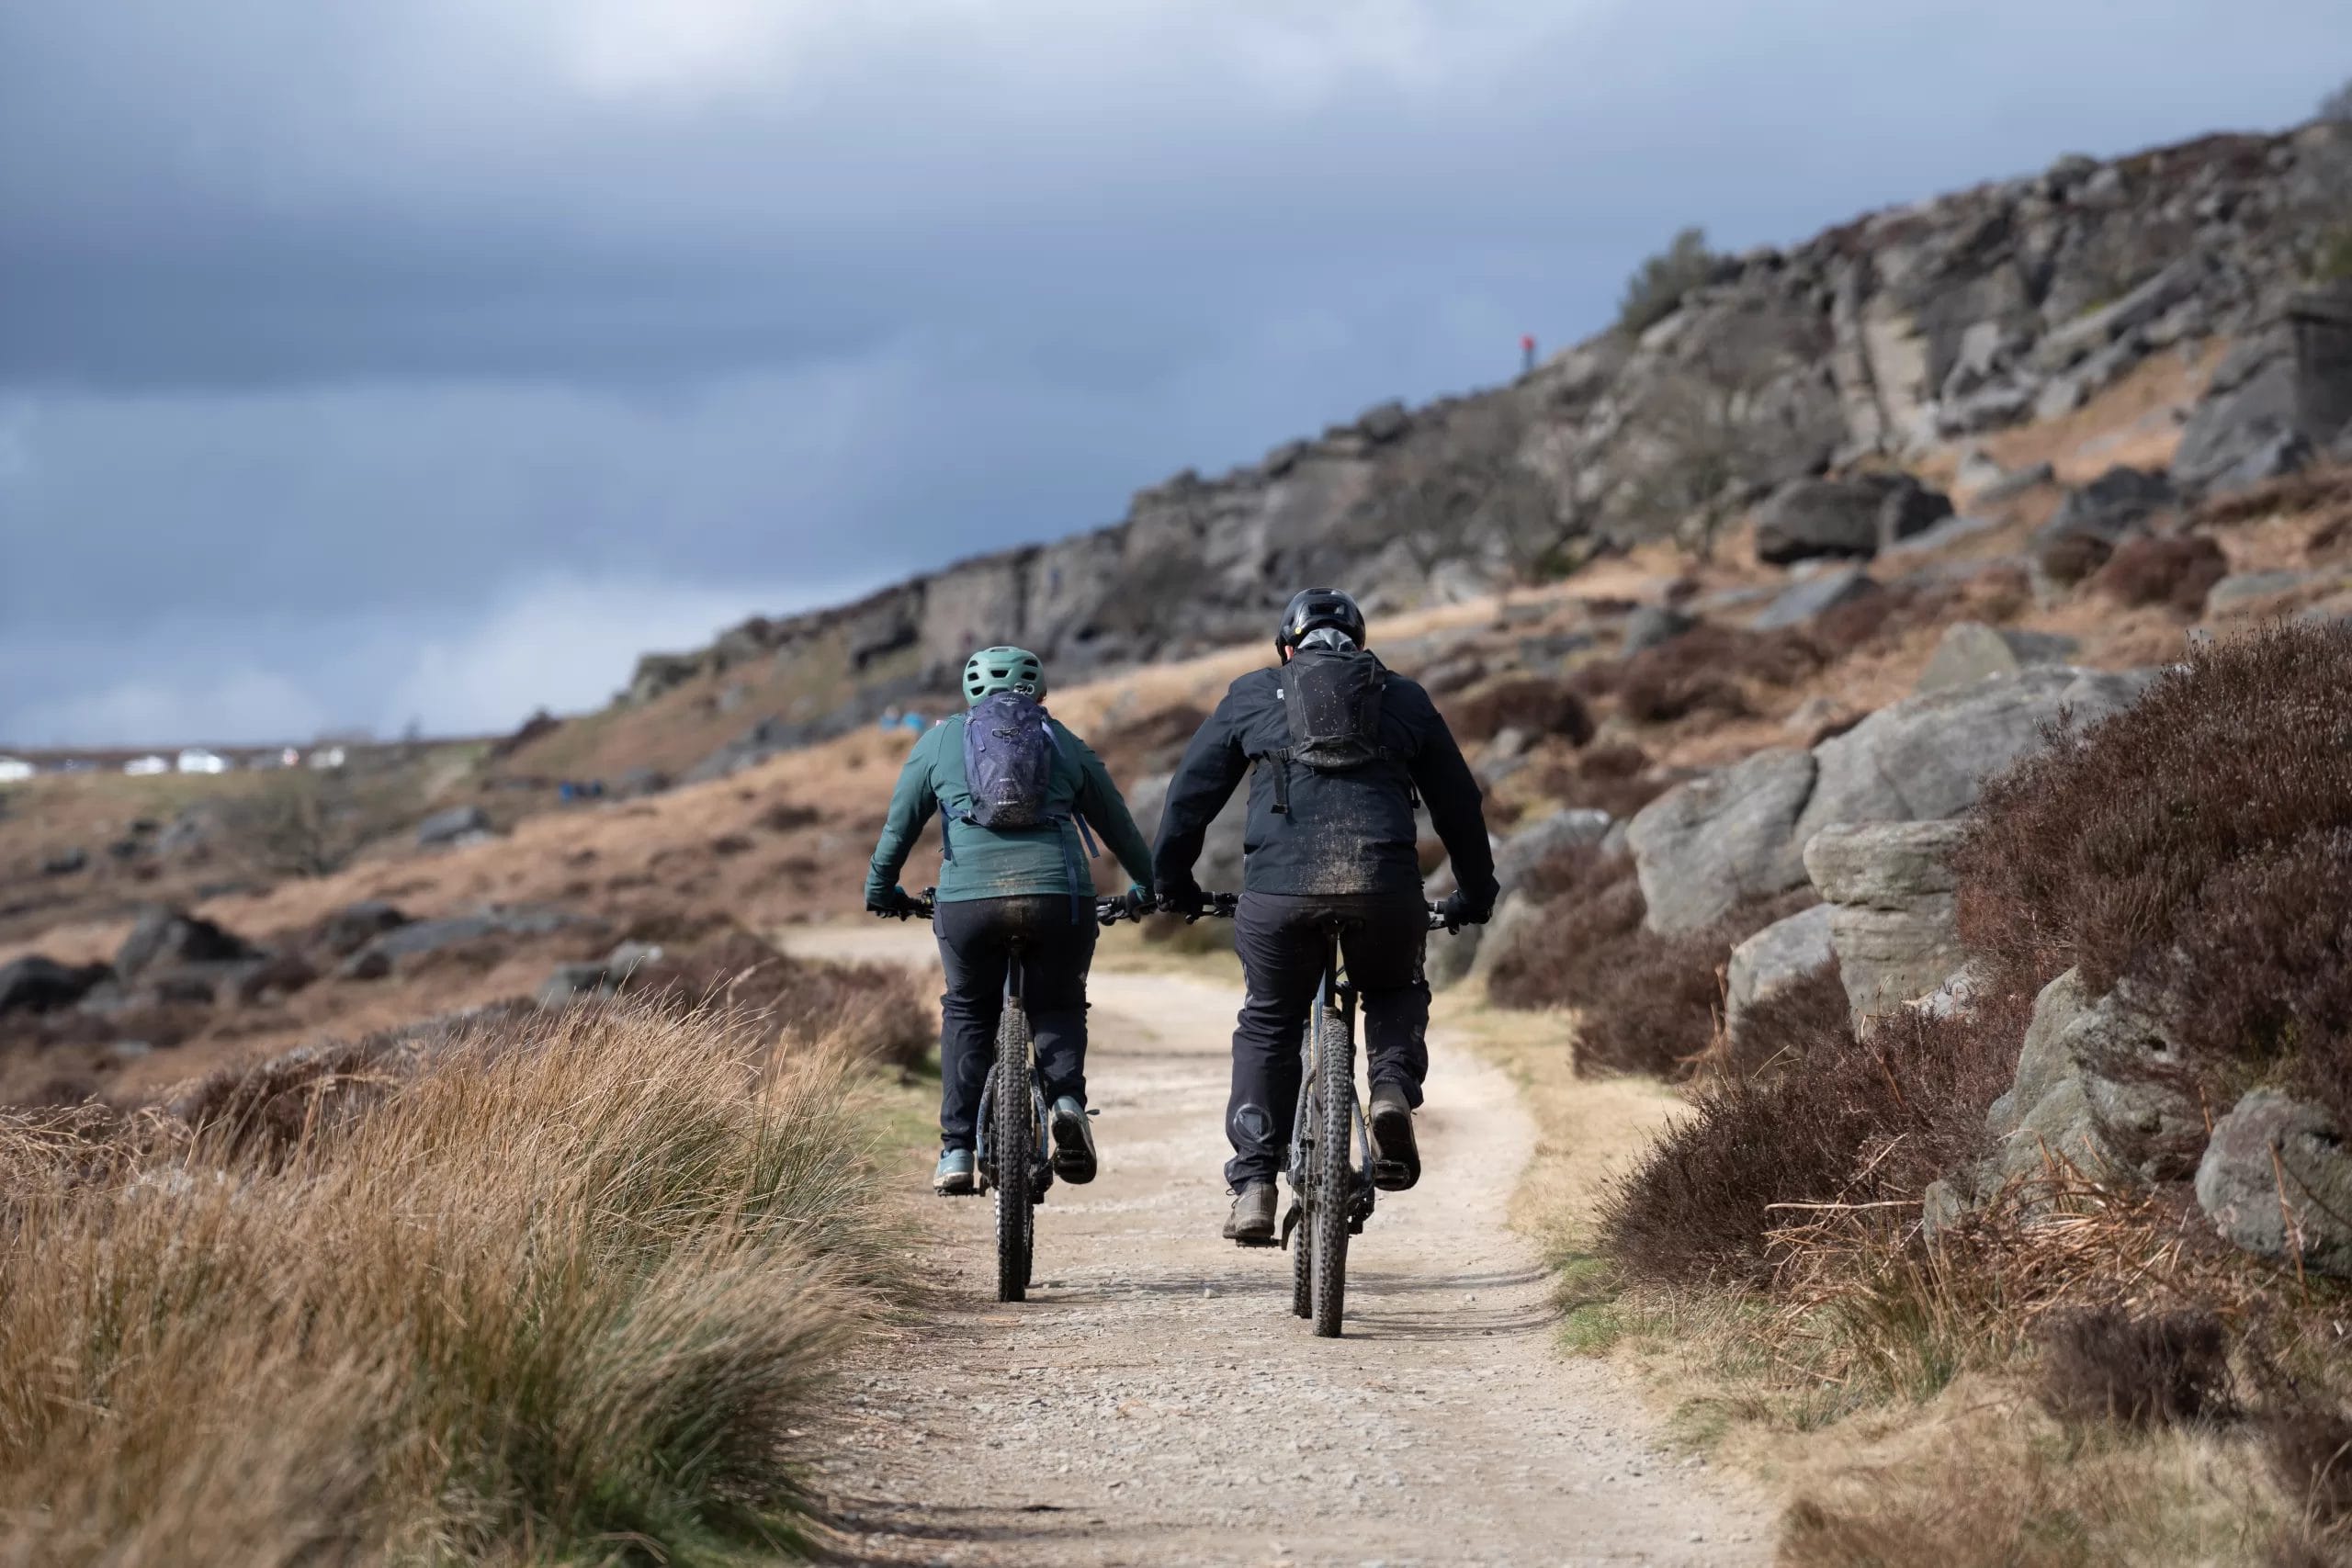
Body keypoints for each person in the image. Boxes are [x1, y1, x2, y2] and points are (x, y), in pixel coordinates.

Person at [1151, 588, 1498, 1242]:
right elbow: (1459, 805)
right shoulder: (1404, 697)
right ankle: (1389, 1090)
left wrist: (1172, 884)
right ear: (1361, 649)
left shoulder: (1253, 693)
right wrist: (1476, 894)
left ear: (1287, 650)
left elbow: (1189, 797)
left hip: (1279, 896)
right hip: (1384, 890)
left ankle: (1255, 1183)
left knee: (1269, 1020)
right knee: (1393, 987)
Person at [866, 646, 1155, 1196]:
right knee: (1059, 1002)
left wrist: (881, 890)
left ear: (969, 692)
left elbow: (898, 828)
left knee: (968, 1009)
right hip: (1058, 900)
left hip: (969, 905)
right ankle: (1066, 1101)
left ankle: (956, 1150)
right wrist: (1148, 887)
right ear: (1039, 692)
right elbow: (1120, 827)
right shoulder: (1064, 741)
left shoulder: (939, 742)